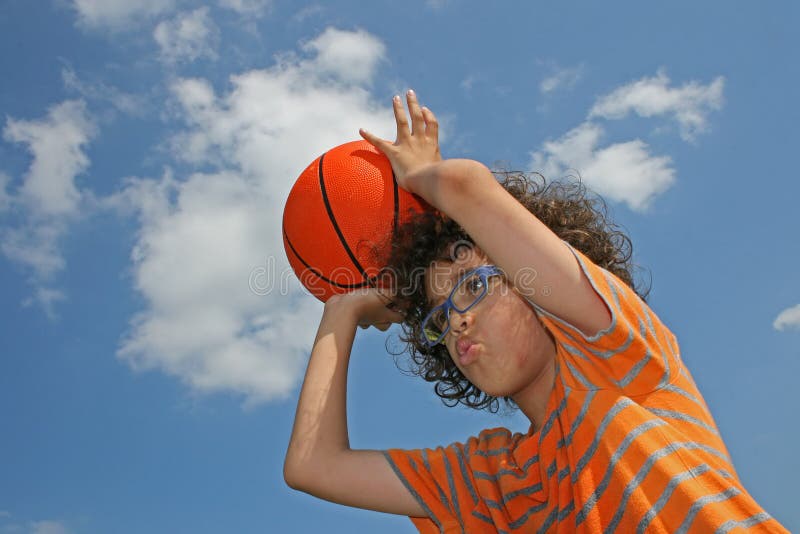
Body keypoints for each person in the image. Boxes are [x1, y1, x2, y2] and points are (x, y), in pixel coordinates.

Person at [283, 90, 787, 533]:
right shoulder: (492, 481)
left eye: (472, 285)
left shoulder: (614, 355)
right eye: (438, 315)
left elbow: (467, 188)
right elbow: (312, 465)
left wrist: (422, 176)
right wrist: (341, 312)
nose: (455, 318)